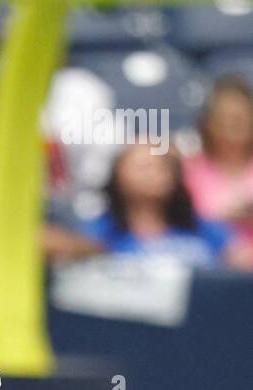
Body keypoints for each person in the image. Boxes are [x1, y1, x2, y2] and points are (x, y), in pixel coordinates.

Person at [45, 143, 252, 267]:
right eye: (143, 167)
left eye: (162, 166)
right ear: (117, 175)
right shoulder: (100, 230)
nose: (153, 173)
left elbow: (242, 258)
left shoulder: (202, 227)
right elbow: (67, 250)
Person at [185, 76, 253, 257]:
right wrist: (221, 218)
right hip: (208, 263)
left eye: (239, 119)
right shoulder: (187, 171)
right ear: (208, 123)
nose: (232, 126)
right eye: (224, 118)